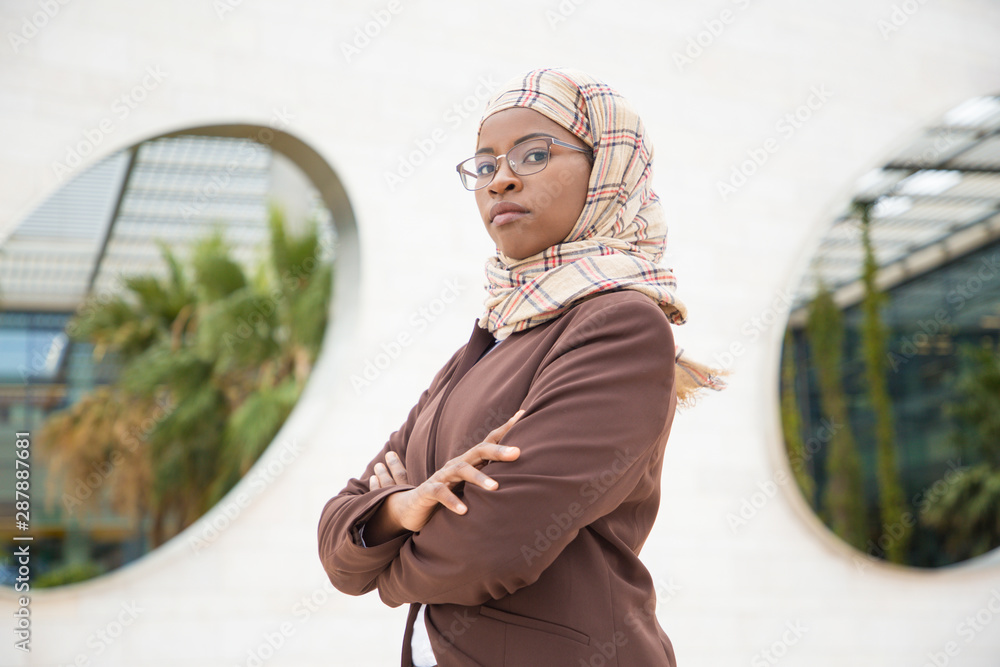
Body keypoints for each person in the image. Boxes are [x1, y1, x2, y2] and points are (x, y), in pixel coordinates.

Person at [317, 67, 728, 667]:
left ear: (608, 170)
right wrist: (397, 509)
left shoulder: (622, 324)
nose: (501, 179)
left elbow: (491, 547)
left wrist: (388, 568)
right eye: (484, 166)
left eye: (534, 154)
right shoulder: (489, 338)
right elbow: (340, 530)